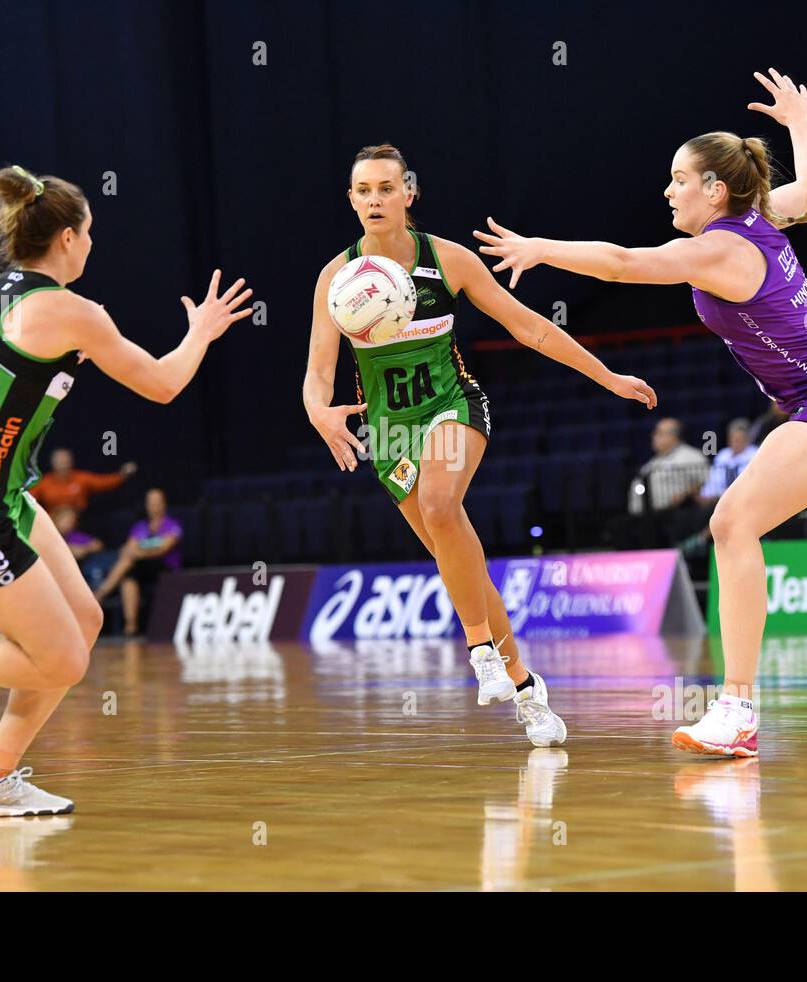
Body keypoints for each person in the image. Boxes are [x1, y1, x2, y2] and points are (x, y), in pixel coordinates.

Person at [475, 68, 807, 754]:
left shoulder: (717, 247)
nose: (668, 189)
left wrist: (539, 248)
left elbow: (621, 262)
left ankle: (737, 708)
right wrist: (800, 125)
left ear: (714, 188)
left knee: (732, 523)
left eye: (680, 178)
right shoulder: (760, 216)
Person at [0, 164, 252, 817]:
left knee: (86, 621)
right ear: (66, 238)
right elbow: (161, 384)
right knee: (61, 660)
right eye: (89, 231)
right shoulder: (71, 311)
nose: (93, 243)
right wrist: (201, 333)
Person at [304, 143, 657, 749]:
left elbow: (531, 327)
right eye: (363, 190)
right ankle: (524, 685)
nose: (375, 200)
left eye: (386, 188)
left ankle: (479, 653)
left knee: (442, 506)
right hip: (389, 432)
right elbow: (317, 372)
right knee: (456, 555)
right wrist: (320, 414)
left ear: (408, 193)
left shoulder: (449, 260)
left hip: (452, 405)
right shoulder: (337, 278)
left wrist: (608, 377)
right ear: (351, 199)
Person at [93, 488, 183, 637]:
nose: (154, 505)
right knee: (128, 578)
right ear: (146, 505)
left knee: (128, 561)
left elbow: (164, 548)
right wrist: (137, 552)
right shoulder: (140, 526)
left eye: (157, 501)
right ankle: (131, 626)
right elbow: (128, 548)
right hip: (141, 566)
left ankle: (100, 593)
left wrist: (139, 552)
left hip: (164, 566)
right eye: (151, 502)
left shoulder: (172, 524)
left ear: (164, 504)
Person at [30, 448, 137, 514]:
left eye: (66, 461)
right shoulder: (43, 483)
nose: (64, 465)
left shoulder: (81, 478)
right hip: (53, 524)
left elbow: (102, 482)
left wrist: (122, 475)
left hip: (79, 522)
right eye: (60, 462)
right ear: (53, 463)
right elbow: (29, 499)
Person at [640, 417, 710, 510]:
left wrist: (685, 495)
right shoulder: (653, 462)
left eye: (658, 433)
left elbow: (708, 482)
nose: (653, 436)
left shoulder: (691, 456)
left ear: (673, 436)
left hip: (680, 514)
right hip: (649, 516)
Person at [699, 418, 758, 502]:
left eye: (739, 440)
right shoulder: (722, 455)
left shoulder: (755, 453)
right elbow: (713, 480)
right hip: (718, 499)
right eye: (733, 439)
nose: (735, 443)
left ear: (747, 440)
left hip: (745, 498)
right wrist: (705, 494)